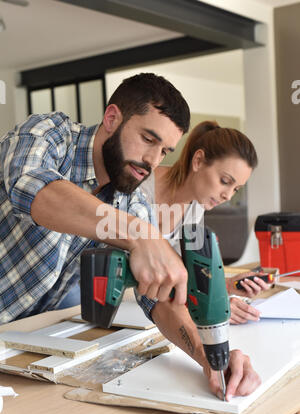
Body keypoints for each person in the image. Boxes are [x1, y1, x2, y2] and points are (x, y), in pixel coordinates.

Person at [0, 72, 190, 324]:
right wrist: (138, 234)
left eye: (164, 151)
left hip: (22, 333)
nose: (153, 161)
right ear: (112, 118)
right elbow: (31, 188)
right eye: (147, 139)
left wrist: (208, 352)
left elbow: (158, 300)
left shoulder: (134, 202)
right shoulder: (49, 135)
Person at [140, 121, 269, 326]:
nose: (228, 195)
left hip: (139, 310)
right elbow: (149, 271)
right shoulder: (140, 189)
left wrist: (224, 287)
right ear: (198, 160)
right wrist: (214, 303)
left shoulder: (196, 206)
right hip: (82, 297)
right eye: (225, 181)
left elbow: (185, 270)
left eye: (236, 189)